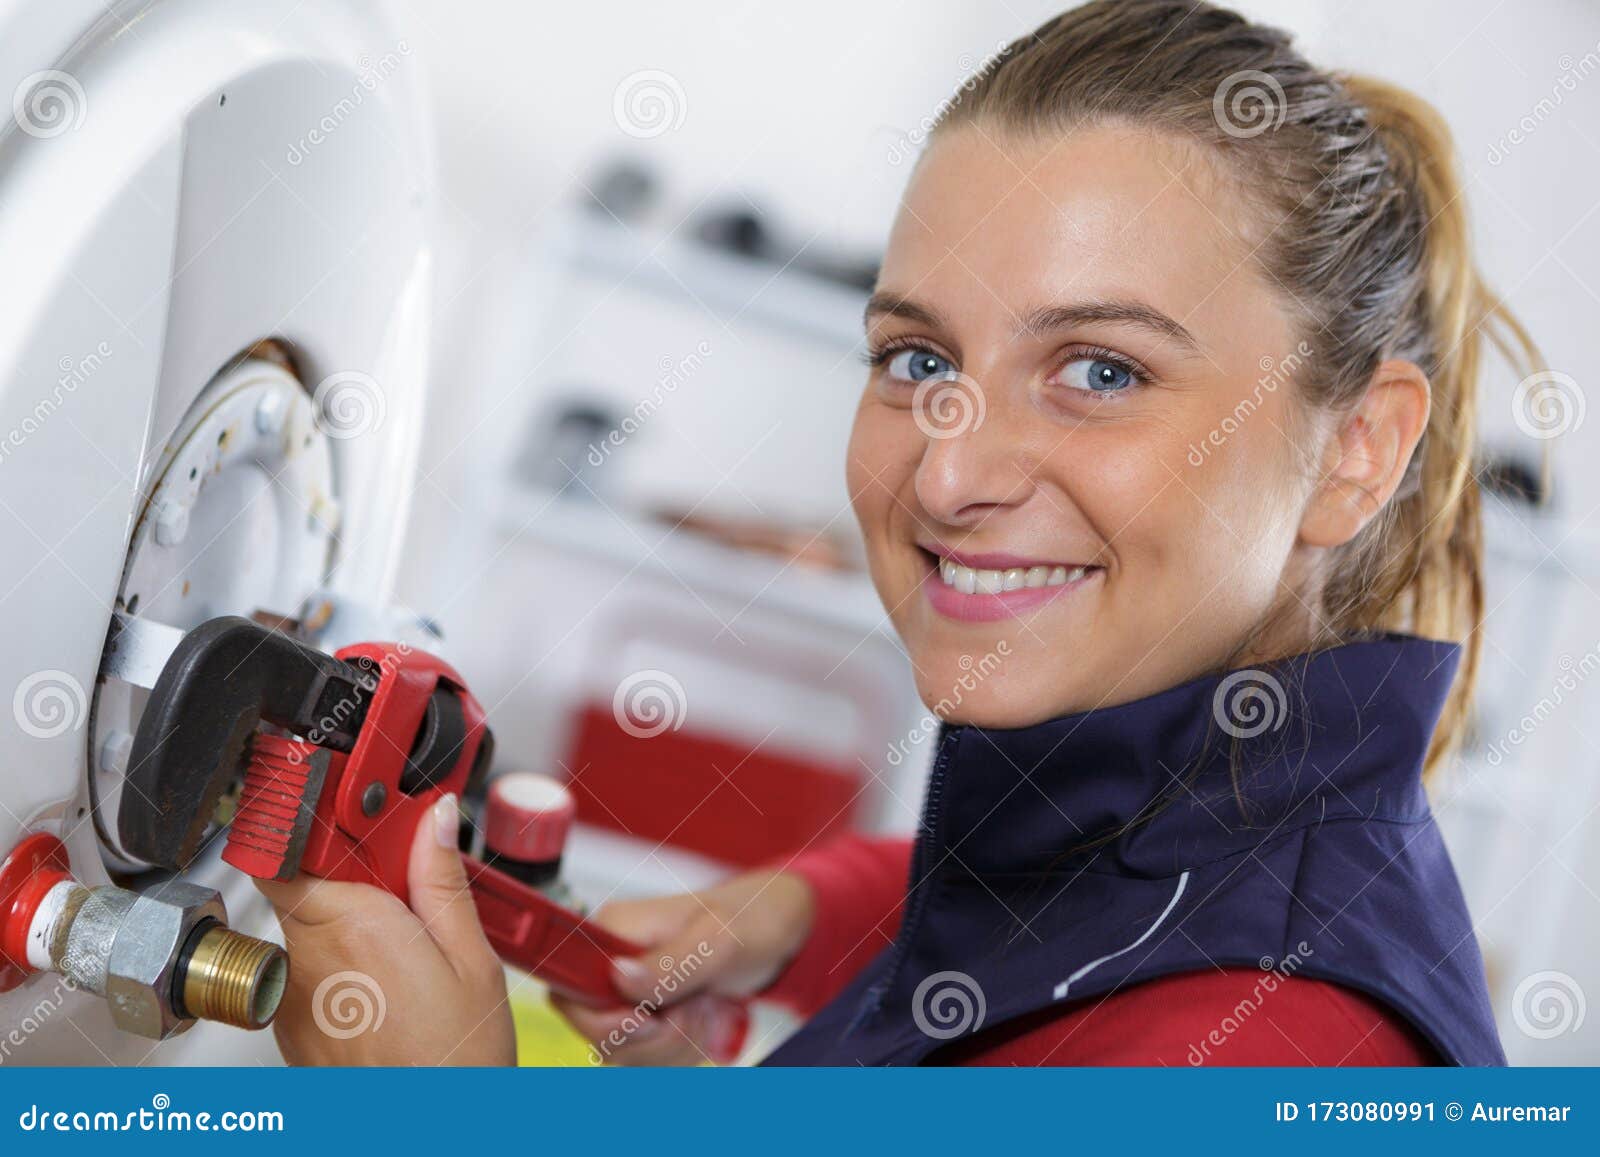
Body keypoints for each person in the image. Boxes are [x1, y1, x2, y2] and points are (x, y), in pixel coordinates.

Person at [259, 0, 1541, 1066]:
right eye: (917, 356)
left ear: (1355, 449)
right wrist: (804, 911)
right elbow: (1082, 891)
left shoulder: (1266, 1053)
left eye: (1100, 370)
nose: (948, 471)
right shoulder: (1153, 801)